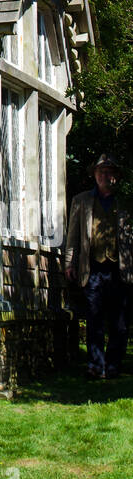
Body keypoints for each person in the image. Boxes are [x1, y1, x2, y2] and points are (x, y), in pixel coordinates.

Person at [65, 153, 132, 379]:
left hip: (119, 270)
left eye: (109, 172)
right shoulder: (81, 201)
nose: (105, 176)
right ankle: (95, 366)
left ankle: (113, 366)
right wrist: (69, 262)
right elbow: (72, 235)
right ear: (94, 175)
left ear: (116, 177)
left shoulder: (125, 203)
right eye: (101, 172)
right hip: (91, 268)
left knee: (119, 323)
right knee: (94, 319)